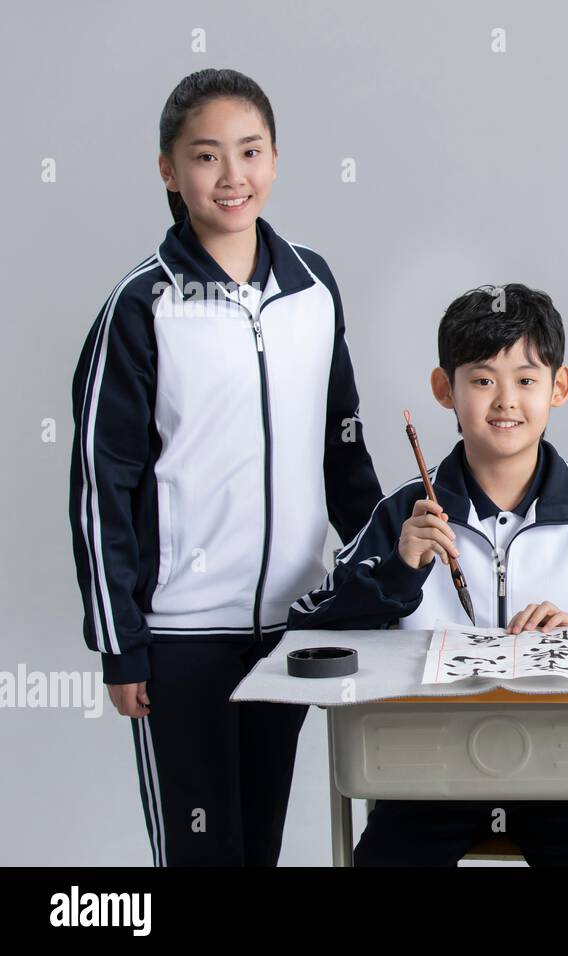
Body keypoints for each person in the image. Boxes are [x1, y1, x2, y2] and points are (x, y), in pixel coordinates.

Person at [68, 68, 382, 865]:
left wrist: (385, 563)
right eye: (206, 157)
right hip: (180, 639)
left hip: (290, 628)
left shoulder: (313, 287)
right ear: (169, 171)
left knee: (259, 849)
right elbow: (102, 487)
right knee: (203, 854)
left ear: (276, 159)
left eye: (250, 151)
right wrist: (122, 645)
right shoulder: (142, 306)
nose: (232, 176)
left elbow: (341, 446)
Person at [289, 283, 568, 866]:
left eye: (526, 379)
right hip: (431, 764)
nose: (505, 401)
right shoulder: (402, 513)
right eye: (481, 380)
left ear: (559, 387)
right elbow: (311, 630)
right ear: (445, 390)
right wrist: (398, 573)